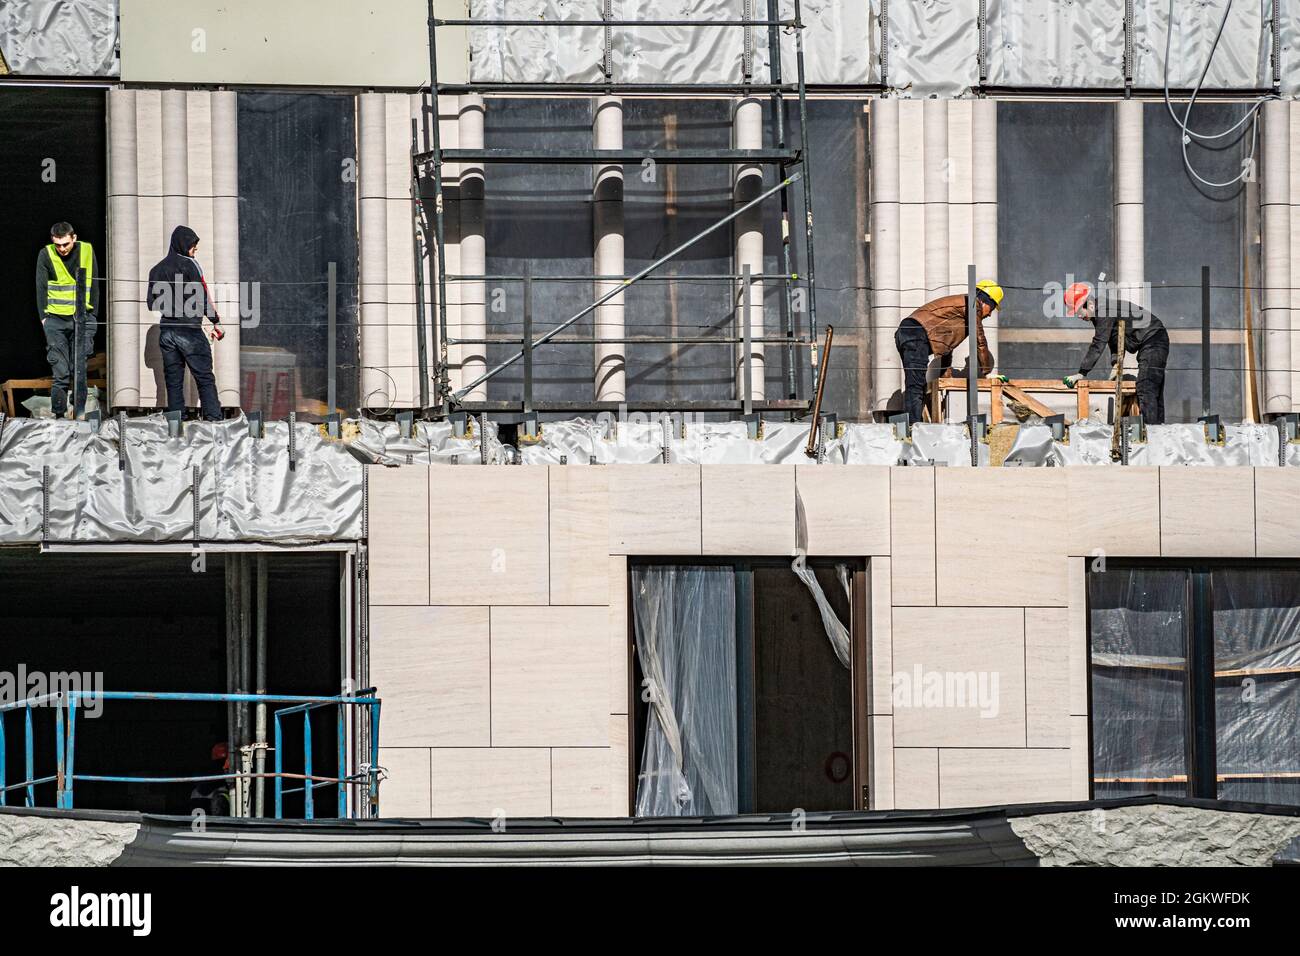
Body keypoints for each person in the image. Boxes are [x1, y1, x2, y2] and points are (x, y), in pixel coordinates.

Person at [894, 281, 1003, 424]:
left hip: (910, 332)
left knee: (916, 383)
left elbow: (946, 344)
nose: (989, 314)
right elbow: (980, 339)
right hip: (916, 333)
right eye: (992, 308)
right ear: (985, 301)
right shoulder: (972, 304)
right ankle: (912, 428)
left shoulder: (961, 309)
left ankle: (913, 424)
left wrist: (945, 375)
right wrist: (987, 371)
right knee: (916, 384)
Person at [1062, 282, 1170, 425]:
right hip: (1154, 339)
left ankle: (1151, 433)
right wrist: (1116, 364)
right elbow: (1114, 338)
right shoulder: (1101, 313)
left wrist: (1082, 372)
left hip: (1154, 339)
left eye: (1079, 312)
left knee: (1146, 387)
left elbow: (1098, 343)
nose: (1080, 317)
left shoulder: (1104, 310)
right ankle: (1158, 431)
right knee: (1153, 390)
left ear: (1089, 304)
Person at [147, 225, 224, 421]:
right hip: (189, 330)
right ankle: (214, 419)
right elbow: (201, 296)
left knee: (173, 381)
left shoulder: (156, 269)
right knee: (205, 377)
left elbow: (151, 303)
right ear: (184, 245)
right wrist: (215, 321)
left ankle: (175, 422)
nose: (195, 250)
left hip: (167, 332)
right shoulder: (190, 265)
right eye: (193, 247)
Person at [35, 222, 99, 419]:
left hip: (83, 319)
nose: (62, 249)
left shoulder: (87, 251)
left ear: (74, 238)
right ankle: (60, 416)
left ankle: (79, 415)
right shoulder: (46, 254)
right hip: (56, 321)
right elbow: (41, 288)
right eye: (58, 245)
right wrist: (44, 319)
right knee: (60, 372)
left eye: (65, 244)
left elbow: (95, 284)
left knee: (79, 370)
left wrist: (93, 316)